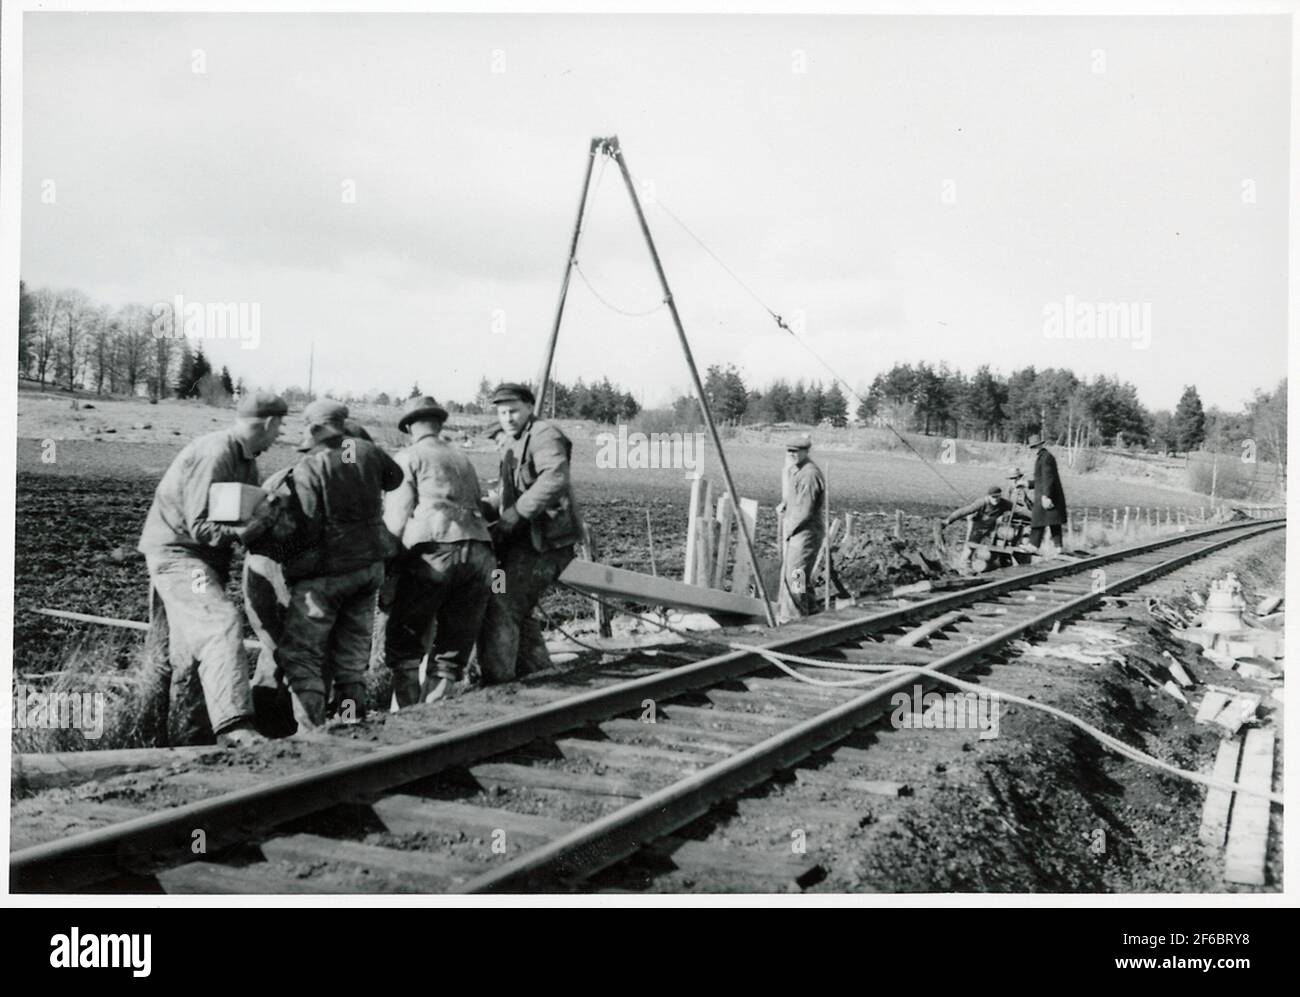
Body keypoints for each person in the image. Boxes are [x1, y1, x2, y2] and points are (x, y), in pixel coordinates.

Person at [137, 390, 287, 747]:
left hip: (202, 560)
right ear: (267, 423)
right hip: (181, 556)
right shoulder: (216, 452)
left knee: (188, 657)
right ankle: (234, 727)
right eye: (278, 427)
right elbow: (201, 527)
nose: (279, 435)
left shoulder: (245, 459)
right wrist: (254, 525)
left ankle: (186, 739)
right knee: (221, 623)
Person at [273, 400, 404, 729]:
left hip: (329, 575)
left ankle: (312, 733)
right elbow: (395, 479)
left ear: (315, 429)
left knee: (303, 656)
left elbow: (305, 524)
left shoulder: (309, 467)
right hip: (369, 569)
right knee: (350, 660)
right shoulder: (366, 451)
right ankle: (349, 724)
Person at [243, 417, 377, 736]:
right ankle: (291, 735)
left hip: (315, 584)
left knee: (320, 661)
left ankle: (328, 731)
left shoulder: (352, 488)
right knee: (289, 658)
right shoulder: (290, 482)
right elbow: (262, 539)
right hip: (279, 584)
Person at [383, 395, 496, 705]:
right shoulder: (462, 459)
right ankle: (433, 710)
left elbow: (396, 519)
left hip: (435, 551)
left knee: (405, 643)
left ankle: (404, 721)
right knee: (451, 648)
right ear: (439, 423)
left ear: (409, 427)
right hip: (480, 553)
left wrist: (388, 567)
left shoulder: (408, 457)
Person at [478, 382, 583, 683]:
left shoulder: (544, 435)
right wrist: (487, 507)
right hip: (524, 544)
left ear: (529, 408)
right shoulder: (513, 442)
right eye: (501, 412)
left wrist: (516, 512)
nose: (507, 418)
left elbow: (555, 478)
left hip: (547, 544)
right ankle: (540, 675)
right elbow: (513, 492)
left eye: (513, 411)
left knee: (504, 601)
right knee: (511, 603)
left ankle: (498, 684)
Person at [775, 435, 825, 623]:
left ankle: (793, 618)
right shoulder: (797, 470)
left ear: (806, 451)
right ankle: (811, 611)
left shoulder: (809, 474)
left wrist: (788, 530)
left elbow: (805, 510)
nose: (793, 454)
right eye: (790, 451)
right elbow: (793, 497)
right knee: (799, 574)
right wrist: (784, 504)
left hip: (805, 532)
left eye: (796, 451)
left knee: (795, 575)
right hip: (798, 531)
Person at [941, 485, 1013, 566]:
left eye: (998, 496)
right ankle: (962, 565)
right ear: (988, 496)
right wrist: (948, 520)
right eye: (993, 497)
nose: (995, 499)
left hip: (991, 527)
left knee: (991, 551)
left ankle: (988, 565)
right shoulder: (981, 502)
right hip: (977, 526)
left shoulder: (1005, 503)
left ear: (1000, 495)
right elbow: (964, 511)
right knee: (970, 548)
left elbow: (1018, 510)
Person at [1026, 433, 1068, 553]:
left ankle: (1034, 546)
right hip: (1047, 494)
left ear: (1039, 445)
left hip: (1048, 495)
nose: (1032, 450)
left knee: (1039, 520)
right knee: (1053, 522)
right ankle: (1058, 547)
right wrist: (1027, 484)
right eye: (1031, 447)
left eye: (1034, 447)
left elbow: (1048, 478)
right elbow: (1041, 480)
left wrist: (1046, 496)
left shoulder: (1046, 457)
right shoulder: (1043, 457)